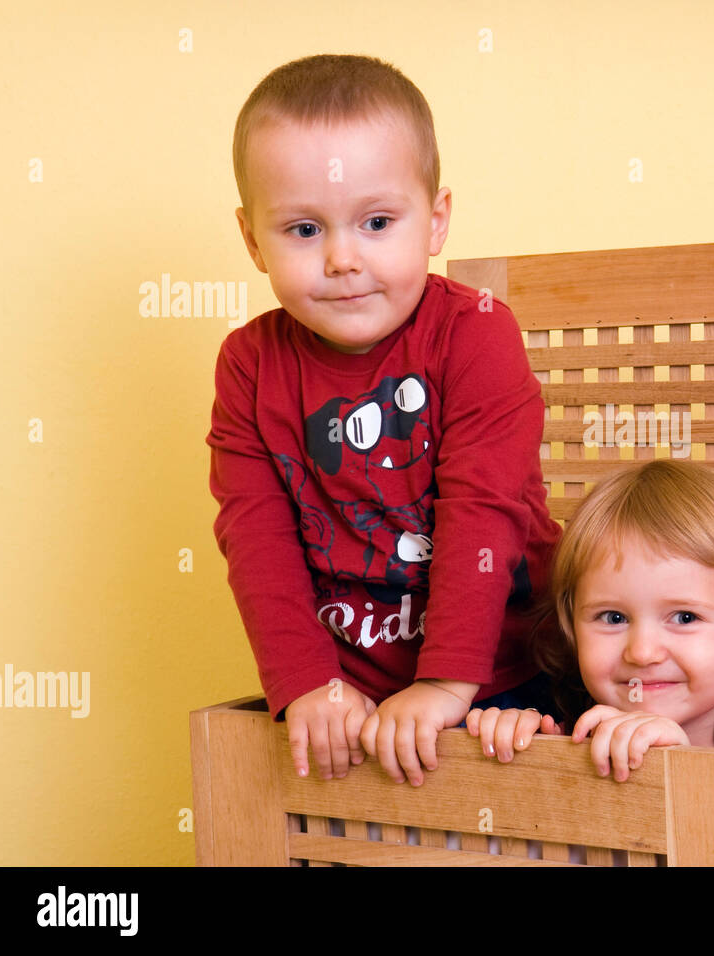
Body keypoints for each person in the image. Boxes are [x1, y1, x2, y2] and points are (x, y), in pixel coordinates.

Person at [206, 54, 559, 789]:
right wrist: (307, 683)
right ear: (251, 241)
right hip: (357, 701)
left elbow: (483, 512)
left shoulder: (478, 332)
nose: (342, 258)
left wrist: (446, 684)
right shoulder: (249, 364)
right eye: (303, 229)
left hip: (511, 678)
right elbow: (255, 534)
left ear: (434, 222)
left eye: (376, 222)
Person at [466, 459, 714, 781]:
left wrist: (684, 771)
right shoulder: (569, 740)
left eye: (684, 617)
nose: (642, 652)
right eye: (614, 616)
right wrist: (515, 745)